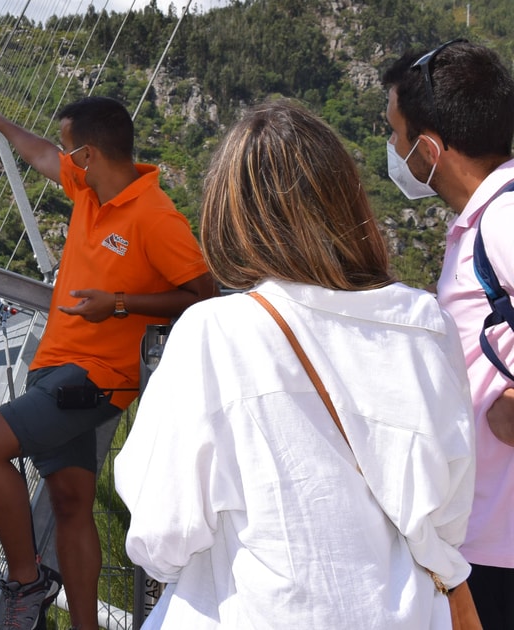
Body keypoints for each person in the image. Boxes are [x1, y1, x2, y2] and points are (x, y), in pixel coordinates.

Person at [113, 100, 475, 629]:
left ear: (230, 213)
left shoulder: (214, 333)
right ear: (346, 202)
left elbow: (159, 534)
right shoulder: (424, 324)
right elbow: (449, 514)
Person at [0, 97, 216, 630]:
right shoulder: (88, 189)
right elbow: (42, 156)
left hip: (97, 378)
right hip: (54, 365)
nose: (65, 158)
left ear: (92, 153)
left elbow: (203, 295)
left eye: (72, 149)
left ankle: (27, 580)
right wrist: (2, 120)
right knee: (72, 503)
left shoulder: (154, 216)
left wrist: (120, 303)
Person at [381, 39, 514, 628]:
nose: (393, 149)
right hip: (484, 536)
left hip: (500, 543)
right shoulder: (485, 221)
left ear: (430, 148)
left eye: (395, 132)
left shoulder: (506, 220)